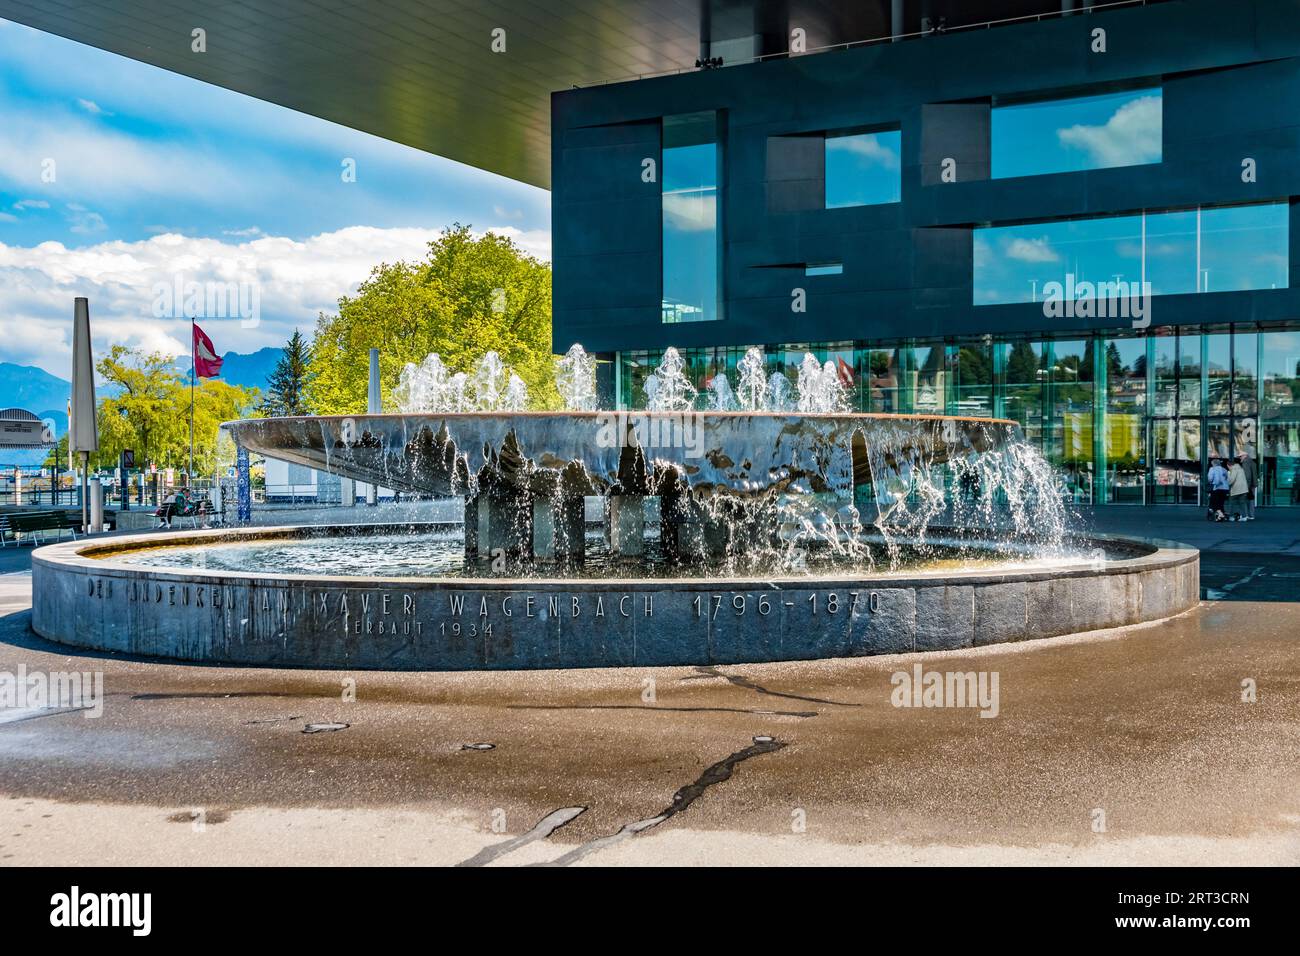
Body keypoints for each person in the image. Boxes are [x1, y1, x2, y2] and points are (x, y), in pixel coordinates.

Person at [1227, 455, 1250, 522]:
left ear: (1229, 465)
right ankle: (1244, 516)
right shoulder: (1240, 468)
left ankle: (1231, 517)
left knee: (1232, 503)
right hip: (1244, 489)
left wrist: (1227, 483)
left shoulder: (1234, 469)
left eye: (1227, 466)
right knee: (1242, 503)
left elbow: (1232, 480)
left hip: (1236, 489)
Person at [1239, 450, 1258, 520]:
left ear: (1245, 456)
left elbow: (1247, 475)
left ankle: (1246, 515)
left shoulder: (1246, 462)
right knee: (1251, 500)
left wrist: (1246, 485)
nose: (1240, 458)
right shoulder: (1252, 462)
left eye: (1240, 456)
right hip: (1252, 484)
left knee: (1245, 500)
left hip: (1248, 484)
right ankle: (1251, 515)